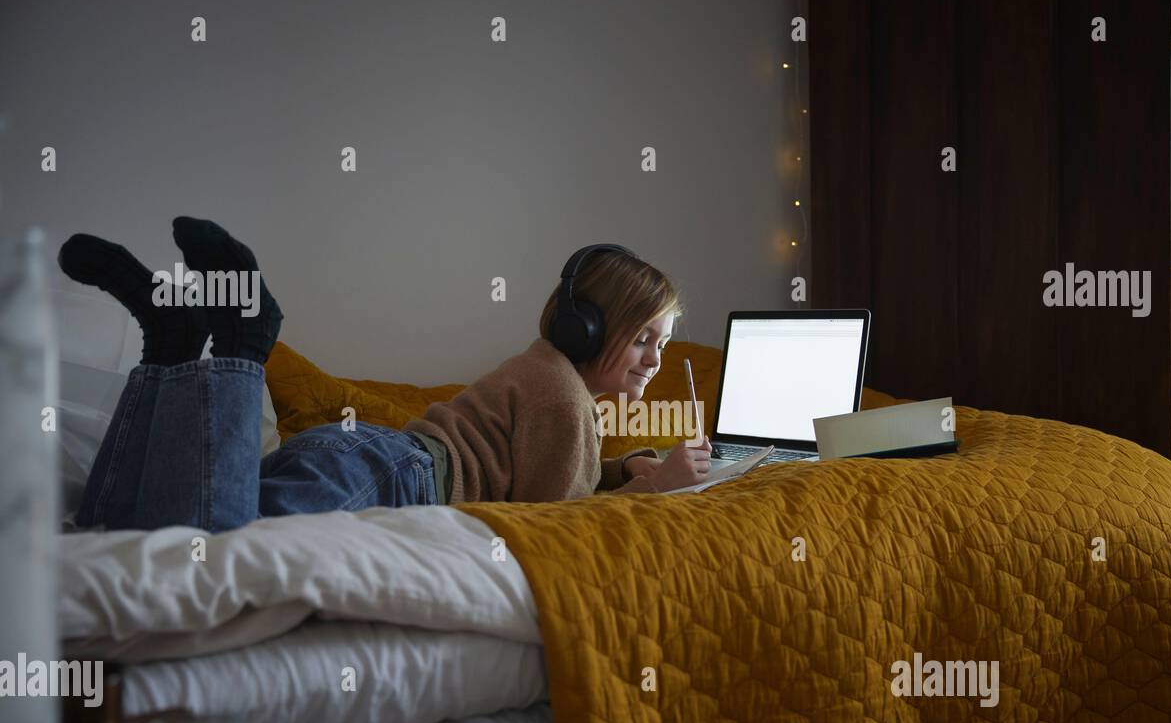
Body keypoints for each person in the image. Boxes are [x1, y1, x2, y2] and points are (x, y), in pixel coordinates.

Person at [63, 220, 712, 534]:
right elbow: (559, 530)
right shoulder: (565, 402)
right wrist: (659, 496)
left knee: (153, 530)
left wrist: (629, 470)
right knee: (223, 547)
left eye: (663, 341)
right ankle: (242, 342)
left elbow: (557, 472)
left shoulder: (547, 374)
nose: (655, 358)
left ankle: (167, 354)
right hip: (390, 476)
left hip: (363, 456)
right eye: (643, 338)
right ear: (589, 329)